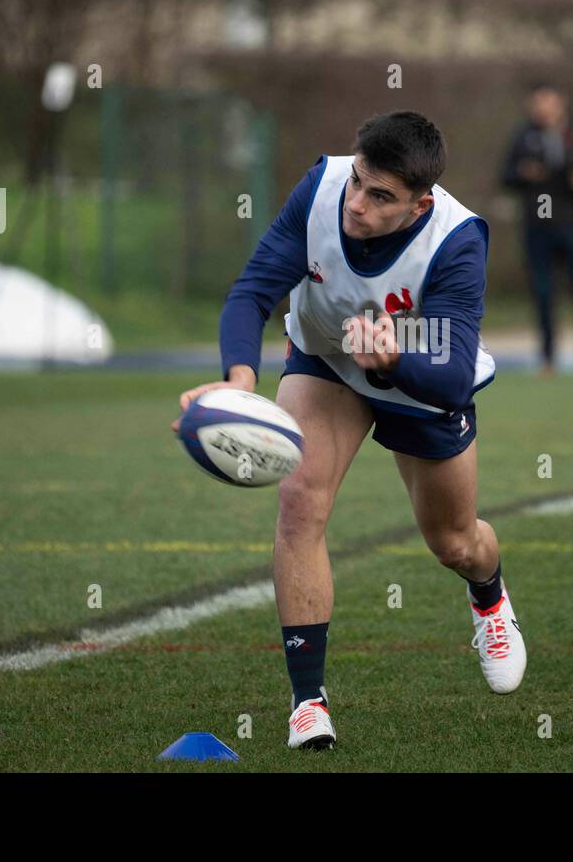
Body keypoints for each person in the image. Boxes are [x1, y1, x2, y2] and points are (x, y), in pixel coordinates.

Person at [175, 112, 525, 750]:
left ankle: (489, 595)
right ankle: (308, 701)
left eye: (380, 197)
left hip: (419, 378)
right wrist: (239, 383)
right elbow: (252, 292)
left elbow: (450, 373)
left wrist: (393, 357)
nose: (357, 205)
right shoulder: (321, 187)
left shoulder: (457, 239)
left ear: (419, 207)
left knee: (454, 542)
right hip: (326, 360)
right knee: (299, 500)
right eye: (359, 182)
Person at [500, 83, 573, 376]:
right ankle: (548, 359)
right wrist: (523, 173)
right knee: (544, 295)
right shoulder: (523, 137)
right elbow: (506, 175)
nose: (543, 109)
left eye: (548, 102)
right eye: (538, 103)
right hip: (537, 228)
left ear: (561, 103)